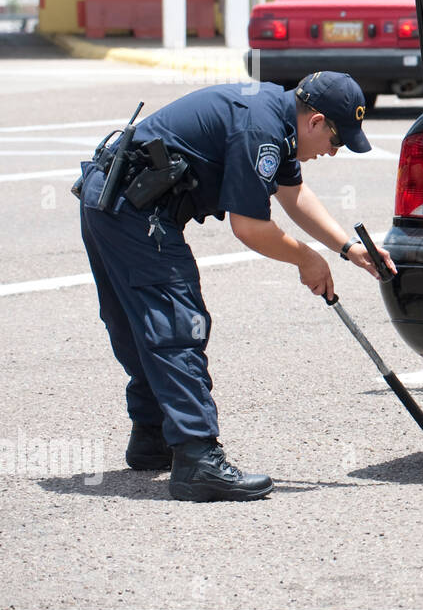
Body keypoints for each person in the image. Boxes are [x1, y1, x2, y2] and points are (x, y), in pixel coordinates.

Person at [77, 72, 394, 502]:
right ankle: (197, 459)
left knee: (145, 324)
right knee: (176, 325)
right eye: (336, 141)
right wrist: (306, 258)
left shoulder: (276, 118)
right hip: (132, 208)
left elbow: (293, 195)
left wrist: (346, 249)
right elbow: (249, 228)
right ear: (316, 122)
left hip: (114, 200)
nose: (332, 152)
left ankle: (153, 436)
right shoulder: (261, 129)